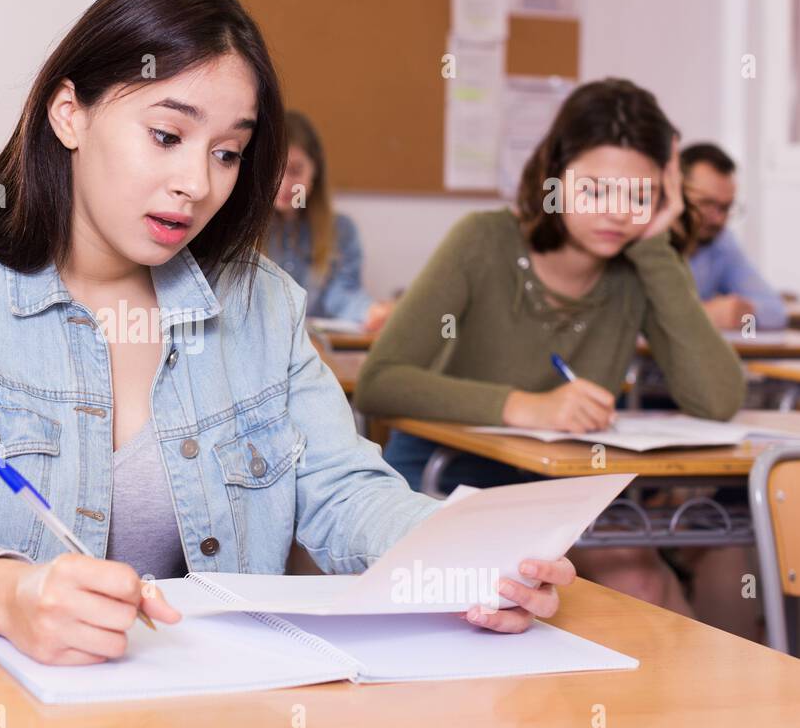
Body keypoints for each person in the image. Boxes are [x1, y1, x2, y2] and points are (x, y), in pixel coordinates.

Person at [0, 0, 579, 668]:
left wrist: (463, 558)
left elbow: (343, 492)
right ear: (69, 115)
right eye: (167, 134)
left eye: (228, 153)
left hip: (194, 715)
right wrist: (1, 592)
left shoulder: (259, 303)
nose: (197, 182)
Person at [354, 78, 745, 616]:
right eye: (595, 189)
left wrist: (656, 247)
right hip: (442, 482)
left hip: (561, 495)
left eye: (640, 194)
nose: (616, 212)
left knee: (641, 579)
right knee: (526, 595)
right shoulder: (483, 240)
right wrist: (526, 406)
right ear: (555, 177)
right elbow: (380, 381)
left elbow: (718, 398)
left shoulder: (639, 269)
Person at [266, 110, 393, 330]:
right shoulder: (239, 229)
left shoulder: (340, 230)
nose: (284, 183)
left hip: (316, 347)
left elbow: (343, 294)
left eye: (295, 171)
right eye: (273, 168)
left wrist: (371, 312)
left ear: (314, 171)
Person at [681, 141, 786, 331]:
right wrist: (700, 315)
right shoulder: (644, 240)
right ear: (675, 192)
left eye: (725, 207)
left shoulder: (721, 244)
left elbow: (776, 313)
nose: (718, 219)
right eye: (706, 203)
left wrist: (744, 316)